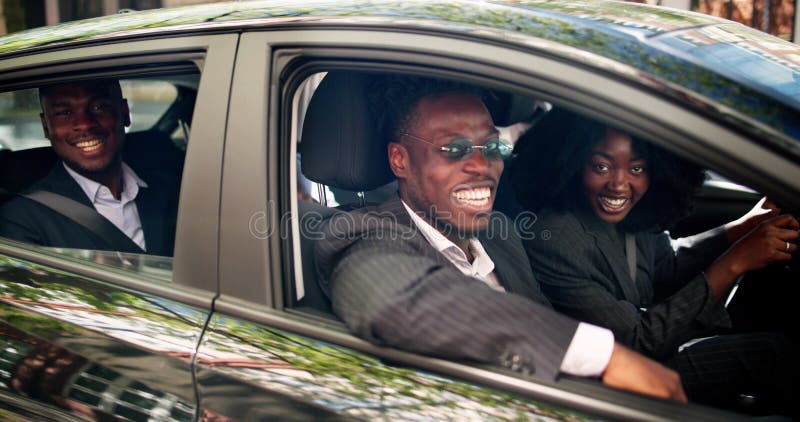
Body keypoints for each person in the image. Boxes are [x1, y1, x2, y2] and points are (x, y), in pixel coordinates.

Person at [315, 75, 686, 401]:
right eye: (454, 149)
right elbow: (400, 300)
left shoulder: (499, 233)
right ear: (400, 160)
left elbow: (537, 317)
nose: (483, 164)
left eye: (492, 147)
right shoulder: (359, 232)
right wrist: (604, 356)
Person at [511, 108, 798, 413]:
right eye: (601, 166)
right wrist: (734, 264)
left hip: (655, 341)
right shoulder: (555, 239)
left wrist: (736, 231)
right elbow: (638, 341)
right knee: (777, 354)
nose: (619, 185)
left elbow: (664, 269)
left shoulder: (637, 211)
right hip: (624, 375)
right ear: (573, 163)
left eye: (637, 169)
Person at [0, 80, 178, 256]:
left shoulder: (173, 190)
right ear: (46, 126)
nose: (84, 123)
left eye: (99, 106)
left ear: (124, 112)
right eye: (64, 112)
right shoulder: (22, 218)